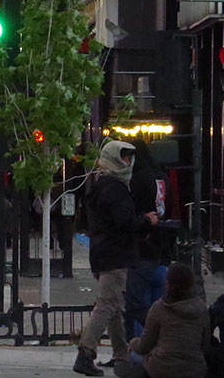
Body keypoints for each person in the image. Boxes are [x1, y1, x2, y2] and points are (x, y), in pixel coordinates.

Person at [73, 141, 157, 376]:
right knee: (107, 306)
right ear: (114, 159)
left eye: (130, 158)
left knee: (115, 308)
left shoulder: (101, 185)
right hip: (116, 255)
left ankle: (122, 356)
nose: (128, 163)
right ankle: (85, 353)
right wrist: (147, 221)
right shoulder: (117, 189)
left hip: (103, 253)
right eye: (124, 158)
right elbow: (125, 223)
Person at [123, 263, 211, 378]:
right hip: (193, 369)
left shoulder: (159, 308)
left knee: (133, 354)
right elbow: (205, 344)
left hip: (162, 368)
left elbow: (143, 346)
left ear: (168, 283)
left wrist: (132, 342)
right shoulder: (201, 309)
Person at [124, 140, 174, 340]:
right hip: (162, 251)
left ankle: (139, 352)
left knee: (138, 306)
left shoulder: (137, 179)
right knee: (158, 306)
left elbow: (131, 215)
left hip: (142, 250)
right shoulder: (163, 177)